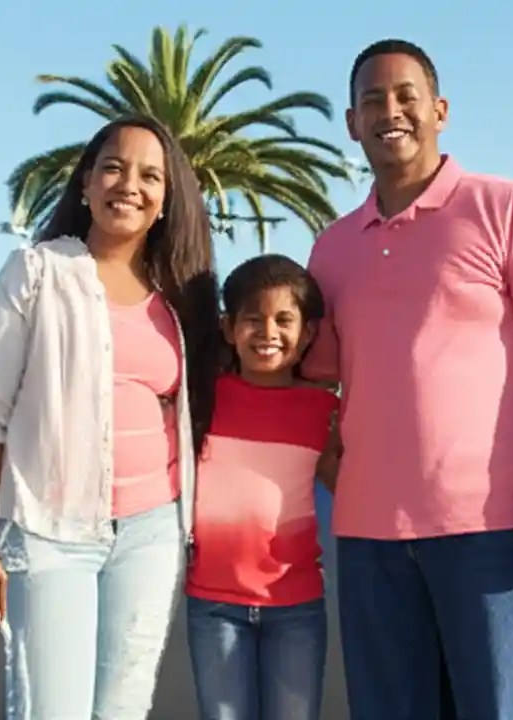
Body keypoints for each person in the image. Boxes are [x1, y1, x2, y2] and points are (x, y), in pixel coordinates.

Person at [301, 39, 513, 719]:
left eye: (406, 95)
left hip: (489, 529)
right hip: (368, 535)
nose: (390, 111)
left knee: (507, 709)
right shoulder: (333, 246)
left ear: (440, 110)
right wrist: (329, 451)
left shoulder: (505, 207)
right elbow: (317, 381)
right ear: (351, 123)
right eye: (371, 100)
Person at [0, 114, 222, 719]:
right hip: (52, 531)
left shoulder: (179, 300)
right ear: (84, 185)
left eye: (149, 176)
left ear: (164, 202)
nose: (129, 184)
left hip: (152, 532)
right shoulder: (37, 272)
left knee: (123, 710)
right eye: (113, 167)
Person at [185, 254, 341, 720]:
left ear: (309, 332)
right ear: (228, 328)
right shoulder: (203, 401)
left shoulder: (325, 411)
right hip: (213, 606)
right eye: (253, 320)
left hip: (296, 606)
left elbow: (348, 482)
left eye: (283, 320)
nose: (268, 333)